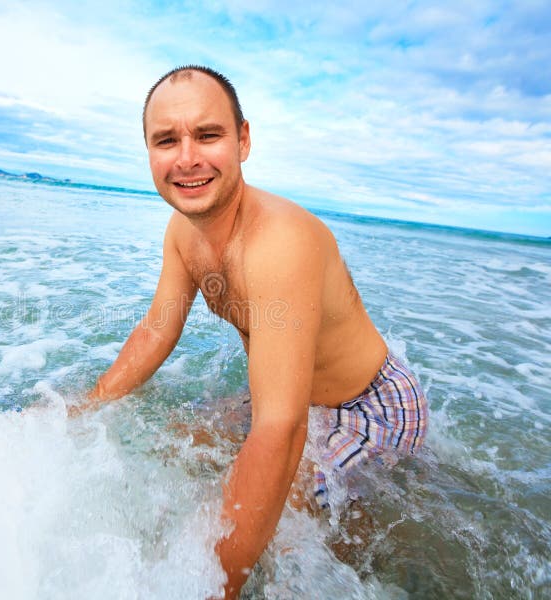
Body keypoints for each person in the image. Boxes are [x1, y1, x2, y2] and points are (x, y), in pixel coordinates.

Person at [82, 65, 428, 600]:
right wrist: (86, 407)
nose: (187, 157)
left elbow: (281, 428)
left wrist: (210, 588)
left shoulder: (279, 242)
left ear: (243, 140)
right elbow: (156, 330)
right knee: (179, 444)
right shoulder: (183, 231)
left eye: (208, 134)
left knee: (293, 530)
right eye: (167, 140)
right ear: (149, 152)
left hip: (370, 405)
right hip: (294, 396)